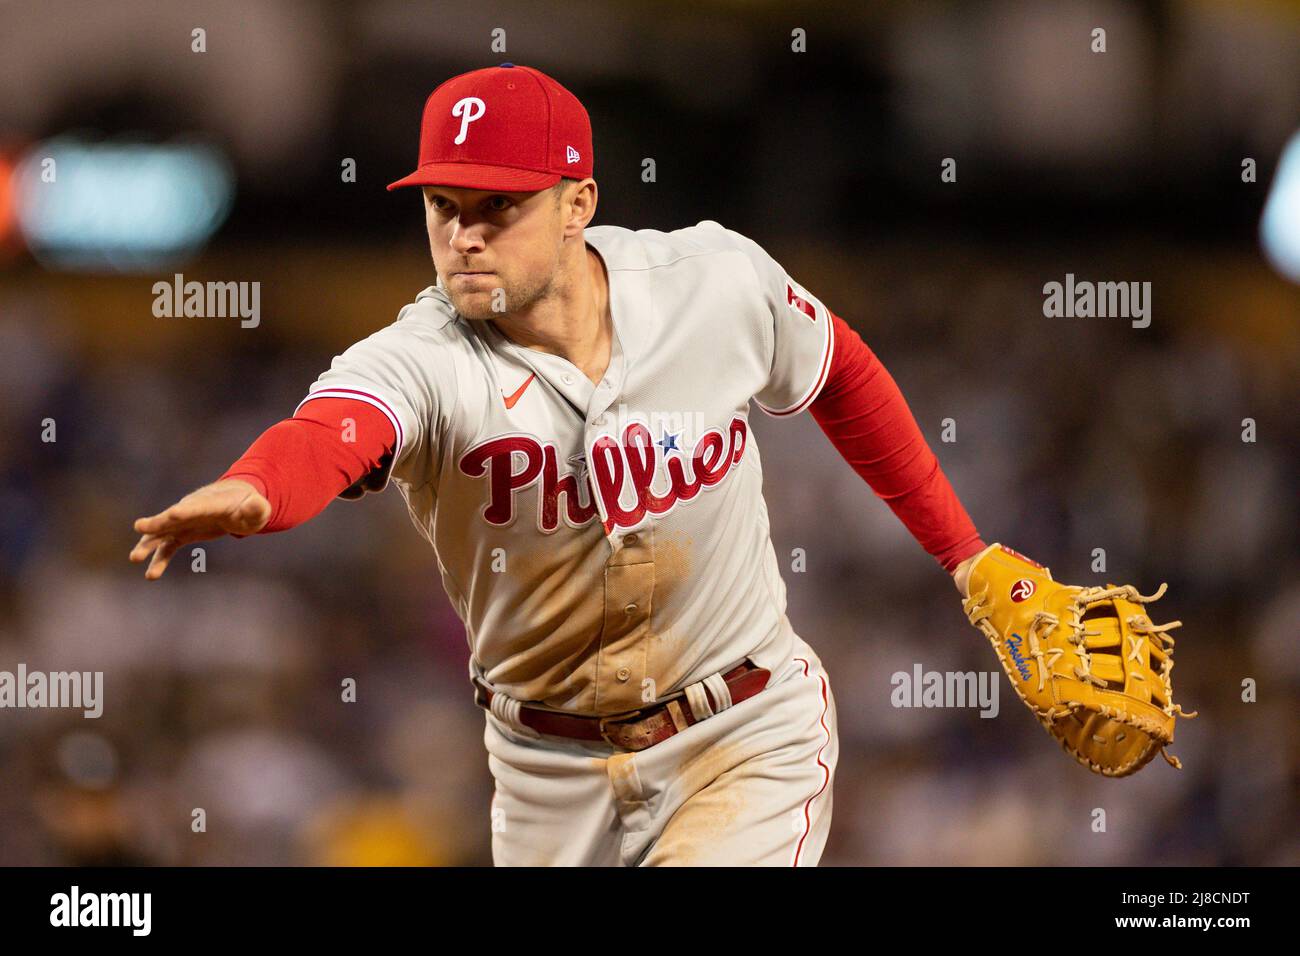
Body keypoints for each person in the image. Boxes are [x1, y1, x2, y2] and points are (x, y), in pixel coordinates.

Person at [130, 63, 986, 866]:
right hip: (548, 771)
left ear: (577, 203)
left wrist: (968, 556)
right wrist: (257, 487)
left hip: (744, 730)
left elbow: (841, 371)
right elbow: (328, 434)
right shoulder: (423, 356)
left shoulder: (710, 282)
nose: (462, 236)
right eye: (442, 205)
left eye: (496, 207)